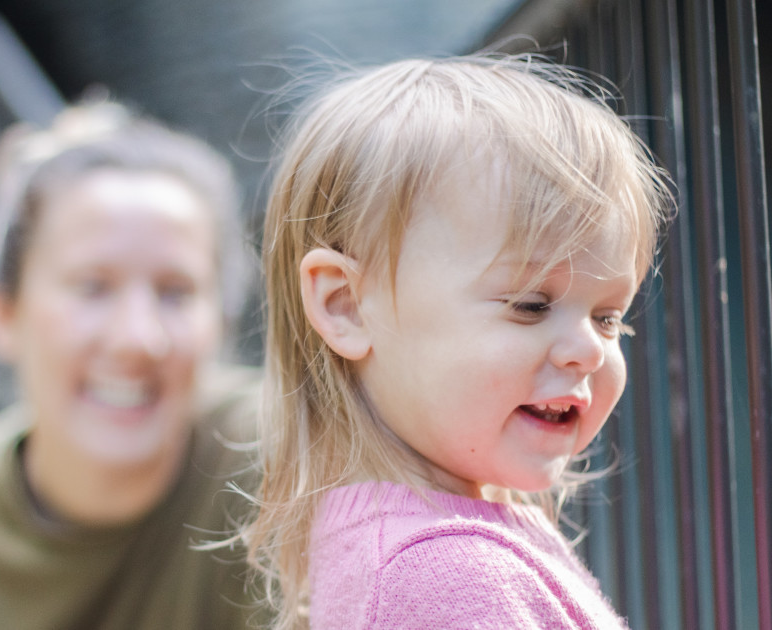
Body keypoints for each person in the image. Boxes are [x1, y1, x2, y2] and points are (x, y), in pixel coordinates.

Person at [242, 54, 673, 629]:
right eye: (531, 304)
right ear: (345, 304)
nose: (590, 351)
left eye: (607, 316)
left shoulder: (427, 551)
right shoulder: (442, 578)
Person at [0, 99, 263, 629]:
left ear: (221, 320)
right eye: (91, 287)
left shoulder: (290, 468)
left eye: (175, 292)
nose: (136, 339)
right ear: (1, 312)